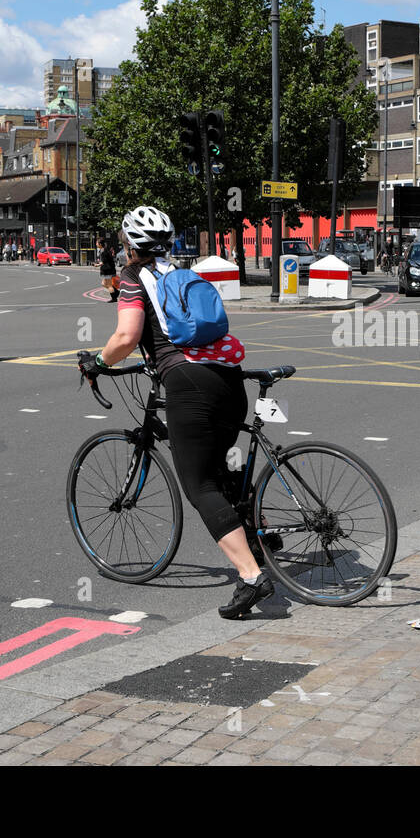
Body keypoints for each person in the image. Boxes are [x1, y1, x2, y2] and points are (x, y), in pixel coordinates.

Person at [79, 206, 272, 619]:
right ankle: (257, 530)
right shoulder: (182, 273)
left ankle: (252, 576)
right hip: (229, 379)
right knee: (217, 468)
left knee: (199, 485)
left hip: (188, 385)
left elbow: (127, 336)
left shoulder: (134, 279)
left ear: (130, 245)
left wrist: (98, 361)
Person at [98, 237, 118, 302]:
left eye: (96, 243)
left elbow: (104, 262)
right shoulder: (103, 250)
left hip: (108, 270)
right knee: (103, 283)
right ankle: (116, 292)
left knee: (109, 285)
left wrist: (97, 265)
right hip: (108, 269)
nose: (96, 244)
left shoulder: (104, 251)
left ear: (100, 244)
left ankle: (114, 298)